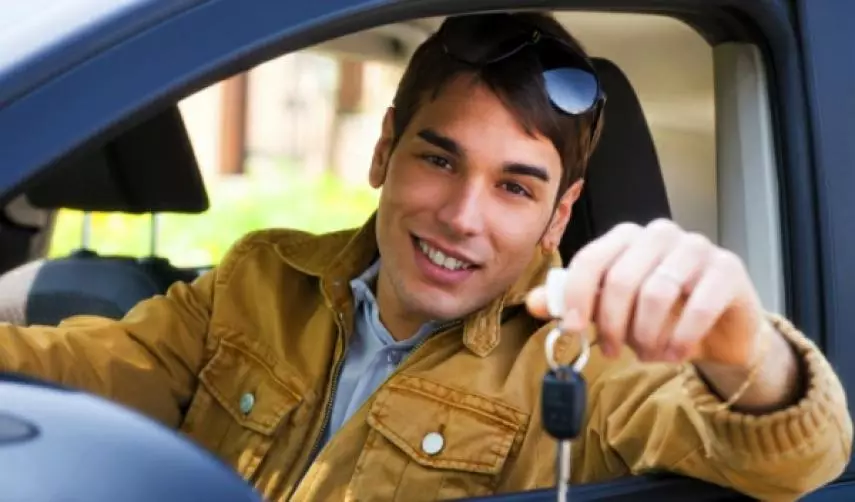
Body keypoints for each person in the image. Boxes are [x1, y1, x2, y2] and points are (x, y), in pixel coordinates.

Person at [0, 11, 851, 502]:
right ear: (384, 154)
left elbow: (795, 461)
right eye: (438, 159)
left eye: (515, 188)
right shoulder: (258, 280)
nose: (460, 217)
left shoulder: (589, 360)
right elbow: (67, 371)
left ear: (558, 216)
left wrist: (750, 350)